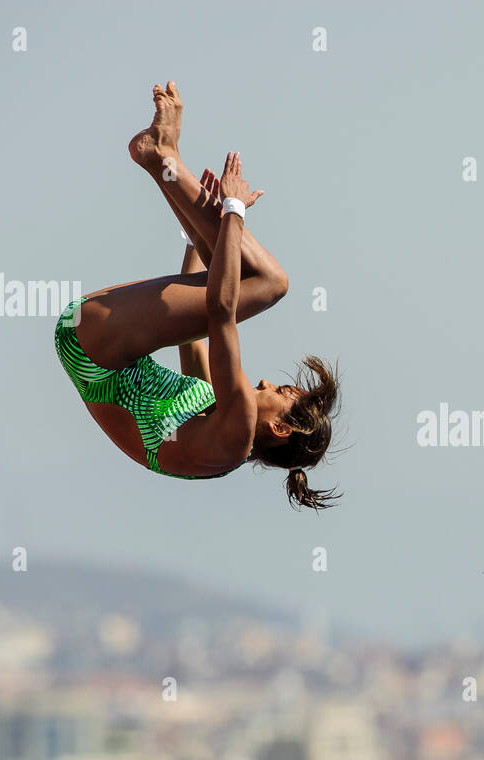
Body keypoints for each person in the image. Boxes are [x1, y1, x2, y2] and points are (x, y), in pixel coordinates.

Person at [54, 82, 340, 507]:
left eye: (279, 392)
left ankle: (163, 157)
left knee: (271, 283)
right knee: (237, 269)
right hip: (95, 345)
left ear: (281, 428)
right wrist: (198, 235)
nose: (264, 381)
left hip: (98, 353)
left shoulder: (236, 430)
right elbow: (193, 340)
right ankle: (161, 163)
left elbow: (220, 311)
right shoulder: (225, 439)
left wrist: (232, 210)